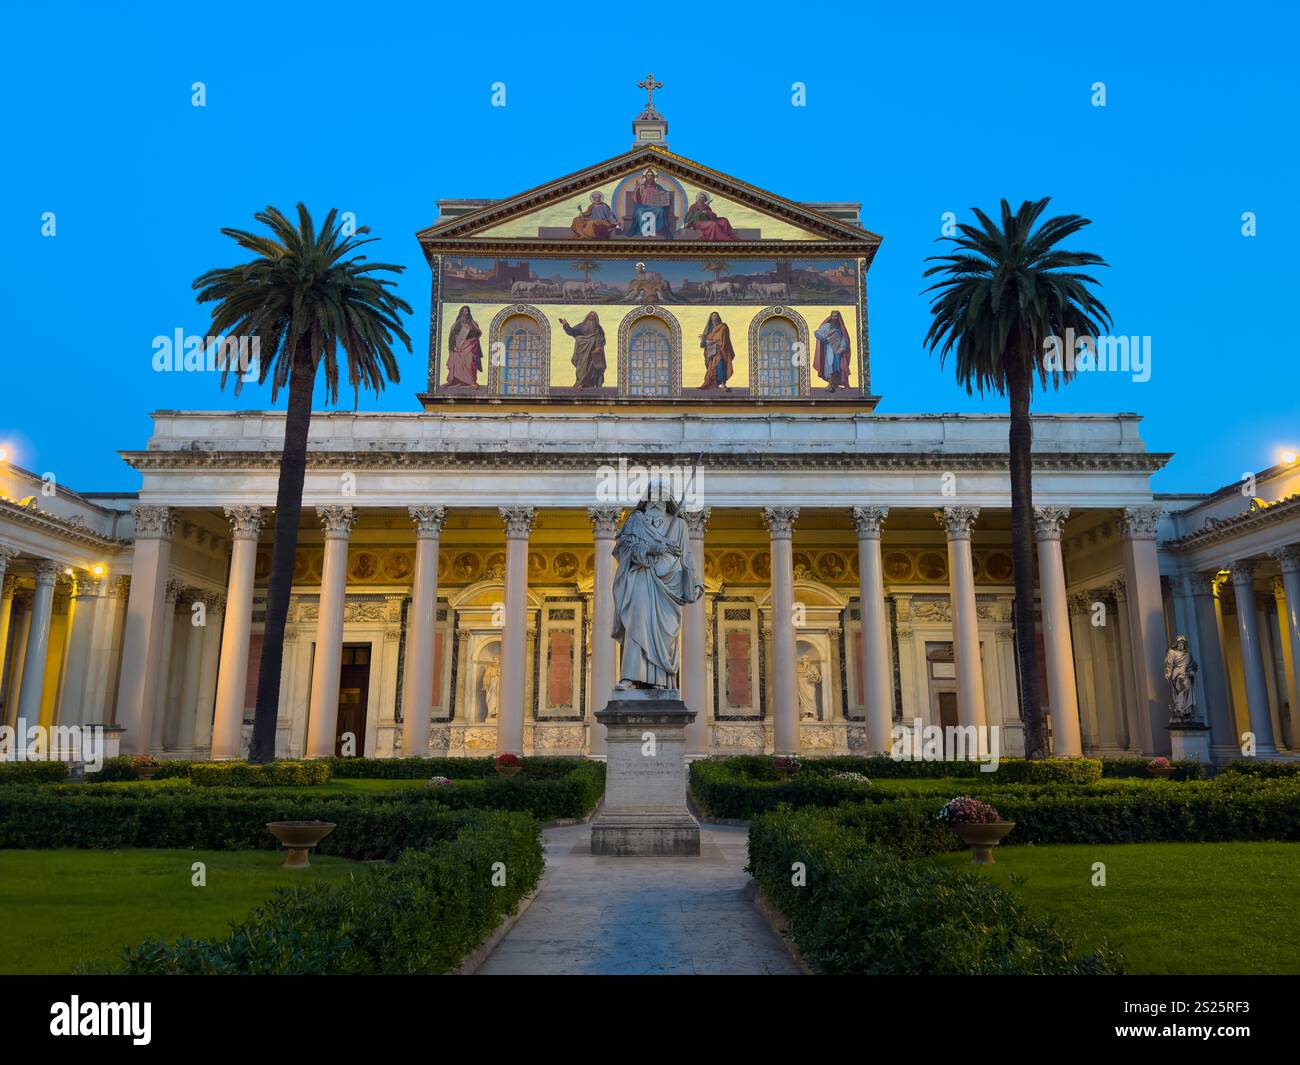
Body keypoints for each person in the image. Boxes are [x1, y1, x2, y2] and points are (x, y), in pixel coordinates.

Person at [611, 489, 703, 689]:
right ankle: (630, 676)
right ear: (647, 499)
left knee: (664, 633)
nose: (657, 502)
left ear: (667, 501)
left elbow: (687, 555)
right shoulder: (636, 521)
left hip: (670, 584)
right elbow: (622, 548)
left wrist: (695, 582)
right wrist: (652, 549)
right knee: (637, 621)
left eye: (661, 498)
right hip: (642, 577)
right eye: (653, 497)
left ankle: (659, 681)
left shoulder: (679, 525)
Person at [560, 311, 606, 387]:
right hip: (583, 351)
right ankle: (580, 383)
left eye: (594, 316)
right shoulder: (581, 326)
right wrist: (565, 325)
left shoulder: (598, 328)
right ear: (587, 317)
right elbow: (572, 332)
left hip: (594, 353)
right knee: (582, 367)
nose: (592, 317)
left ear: (596, 318)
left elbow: (602, 338)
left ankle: (592, 384)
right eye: (590, 315)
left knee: (595, 368)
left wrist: (599, 346)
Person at [444, 306, 483, 388]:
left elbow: (478, 333)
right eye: (464, 311)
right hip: (459, 347)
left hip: (471, 346)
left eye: (467, 311)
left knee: (470, 363)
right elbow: (452, 336)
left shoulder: (473, 323)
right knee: (457, 360)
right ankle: (459, 381)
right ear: (461, 312)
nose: (466, 313)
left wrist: (473, 337)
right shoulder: (456, 324)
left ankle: (471, 381)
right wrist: (453, 346)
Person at [1164, 635, 1199, 722]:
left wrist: (1192, 671)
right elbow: (1169, 664)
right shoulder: (1173, 652)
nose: (1181, 644)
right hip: (1177, 675)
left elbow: (1194, 665)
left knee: (1186, 692)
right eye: (1179, 643)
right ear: (1177, 643)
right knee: (1182, 688)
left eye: (1182, 643)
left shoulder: (1187, 654)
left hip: (1187, 675)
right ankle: (1178, 707)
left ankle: (1184, 710)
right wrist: (1168, 673)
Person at [813, 310, 852, 391]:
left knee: (837, 368)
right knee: (829, 365)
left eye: (836, 316)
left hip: (837, 351)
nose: (834, 318)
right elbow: (817, 333)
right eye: (833, 316)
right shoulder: (826, 326)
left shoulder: (840, 329)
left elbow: (844, 340)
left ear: (839, 318)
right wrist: (826, 337)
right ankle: (830, 384)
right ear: (831, 316)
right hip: (829, 350)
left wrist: (841, 349)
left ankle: (835, 385)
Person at [698, 312, 735, 390]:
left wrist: (713, 342)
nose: (715, 318)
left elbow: (722, 339)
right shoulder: (711, 330)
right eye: (713, 317)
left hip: (721, 351)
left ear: (719, 318)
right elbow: (709, 339)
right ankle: (714, 383)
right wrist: (704, 338)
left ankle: (723, 384)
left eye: (716, 316)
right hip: (712, 352)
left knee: (720, 365)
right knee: (712, 368)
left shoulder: (723, 327)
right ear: (711, 320)